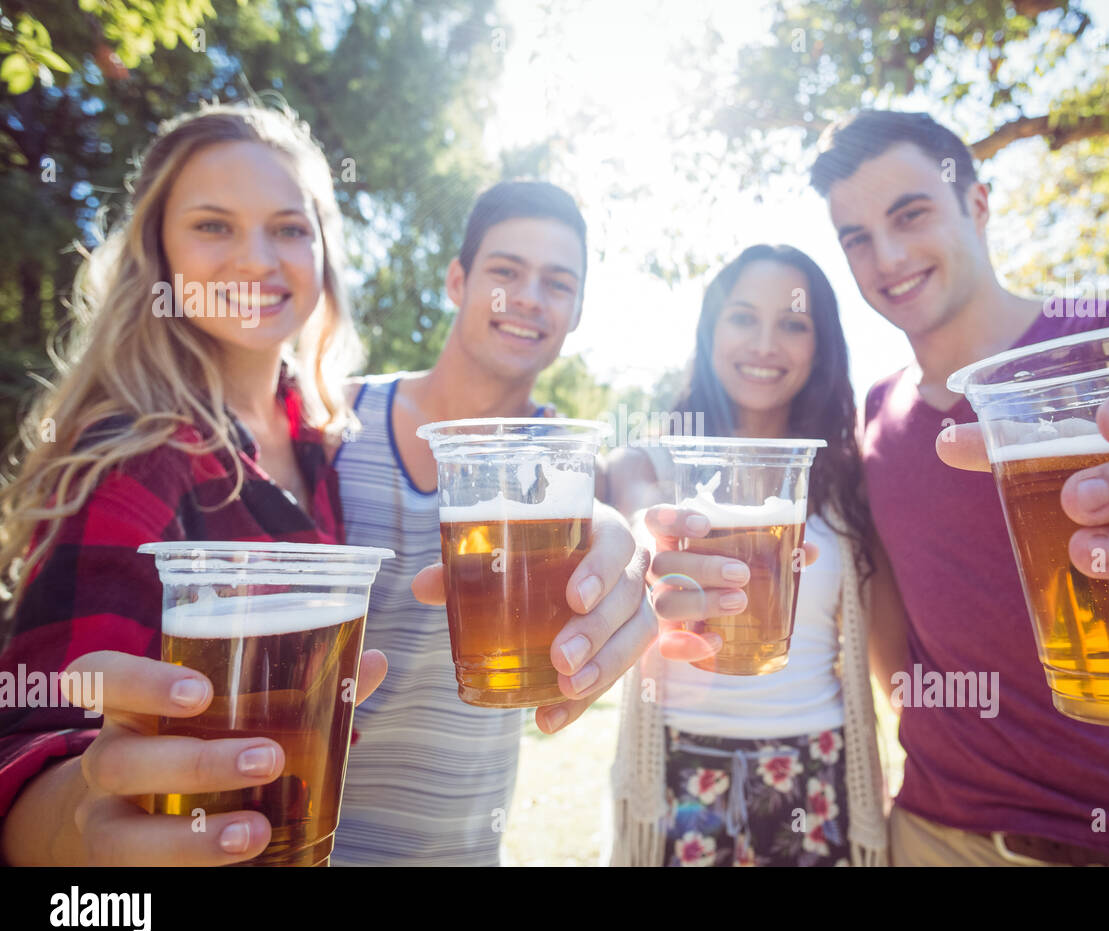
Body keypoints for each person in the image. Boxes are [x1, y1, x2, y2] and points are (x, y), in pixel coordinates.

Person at [812, 109, 1109, 866]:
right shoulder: (874, 415)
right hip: (940, 835)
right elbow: (896, 620)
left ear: (976, 204)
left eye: (911, 214)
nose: (888, 255)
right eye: (857, 238)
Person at [0, 102, 391, 864]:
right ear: (160, 257)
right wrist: (84, 820)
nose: (257, 259)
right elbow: (34, 729)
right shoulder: (135, 456)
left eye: (288, 228)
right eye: (213, 225)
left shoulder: (325, 434)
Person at [331, 181, 658, 865]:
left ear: (575, 312)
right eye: (506, 272)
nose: (530, 298)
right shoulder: (329, 423)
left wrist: (633, 563)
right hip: (308, 847)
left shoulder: (568, 481)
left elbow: (625, 521)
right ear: (458, 280)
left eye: (557, 282)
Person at [603, 244, 890, 866]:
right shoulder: (645, 463)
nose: (765, 342)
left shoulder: (848, 484)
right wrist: (650, 544)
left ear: (821, 347)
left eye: (792, 323)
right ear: (709, 332)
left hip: (815, 768)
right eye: (741, 317)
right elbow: (636, 521)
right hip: (675, 768)